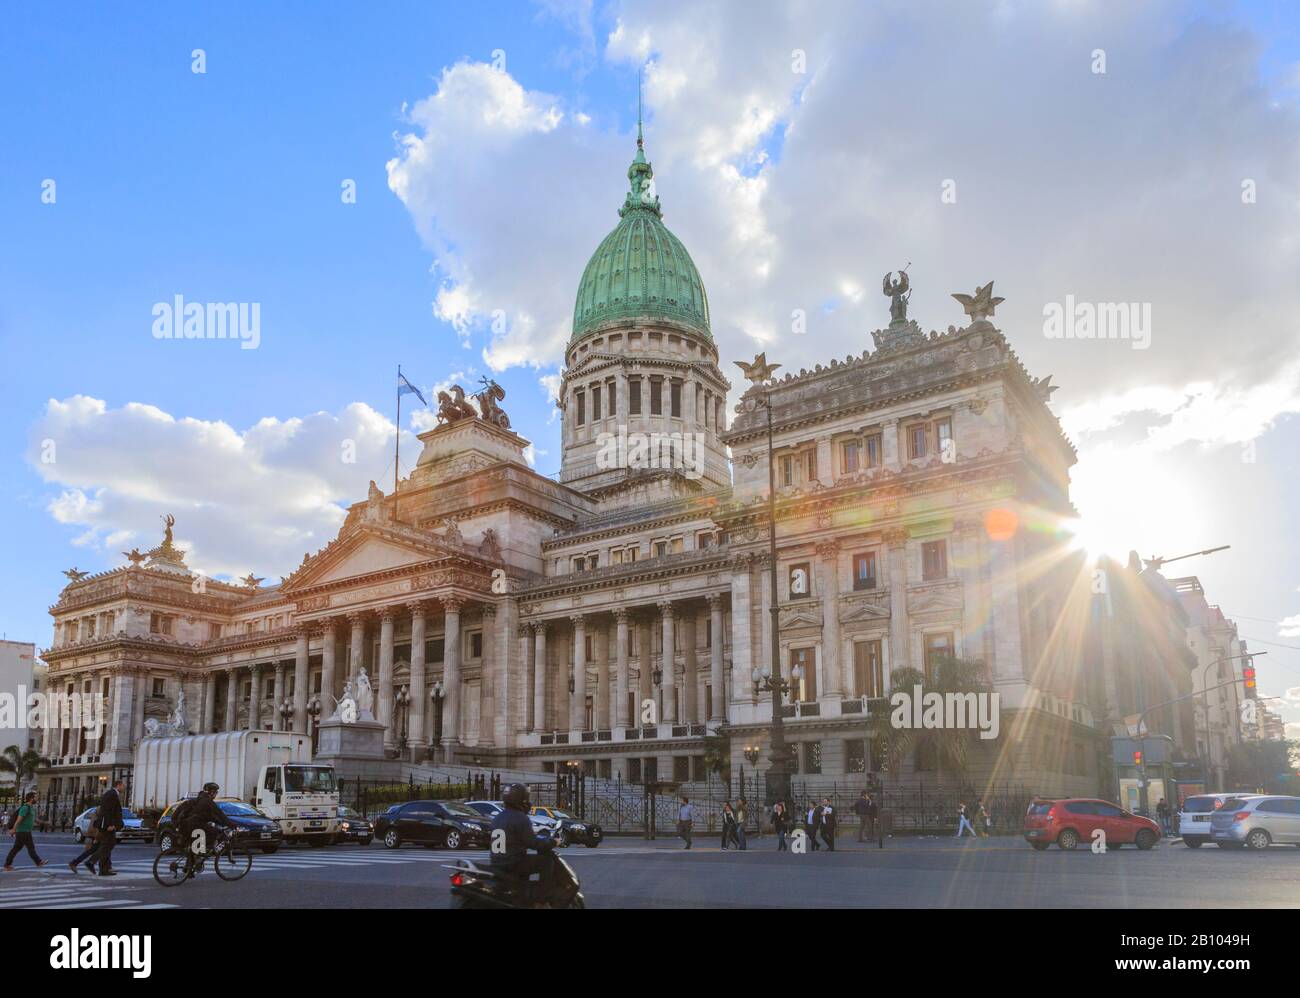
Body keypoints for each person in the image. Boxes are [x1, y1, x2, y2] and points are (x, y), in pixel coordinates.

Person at [489, 783, 560, 905]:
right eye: (526, 798)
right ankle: (541, 901)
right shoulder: (520, 817)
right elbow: (533, 843)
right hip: (512, 863)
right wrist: (553, 842)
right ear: (521, 799)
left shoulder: (498, 818)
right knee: (547, 862)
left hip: (497, 862)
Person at [173, 782, 234, 873]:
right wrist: (231, 824)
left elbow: (212, 817)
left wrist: (221, 822)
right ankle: (201, 854)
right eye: (216, 792)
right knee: (215, 832)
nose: (215, 795)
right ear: (212, 792)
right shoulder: (208, 801)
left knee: (193, 847)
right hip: (193, 826)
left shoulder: (199, 799)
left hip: (184, 826)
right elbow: (219, 814)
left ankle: (189, 869)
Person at [3, 792, 47, 871]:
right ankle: (38, 862)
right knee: (30, 847)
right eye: (35, 797)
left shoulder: (30, 808)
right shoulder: (25, 807)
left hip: (25, 831)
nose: (37, 799)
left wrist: (43, 823)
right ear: (31, 798)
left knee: (16, 849)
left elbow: (34, 819)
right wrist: (14, 829)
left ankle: (7, 864)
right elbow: (19, 819)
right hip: (23, 831)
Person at [68, 804, 103, 874]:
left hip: (95, 835)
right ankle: (78, 863)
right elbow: (92, 828)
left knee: (93, 851)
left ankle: (75, 863)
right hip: (94, 836)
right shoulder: (97, 817)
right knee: (99, 850)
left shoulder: (96, 814)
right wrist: (96, 837)